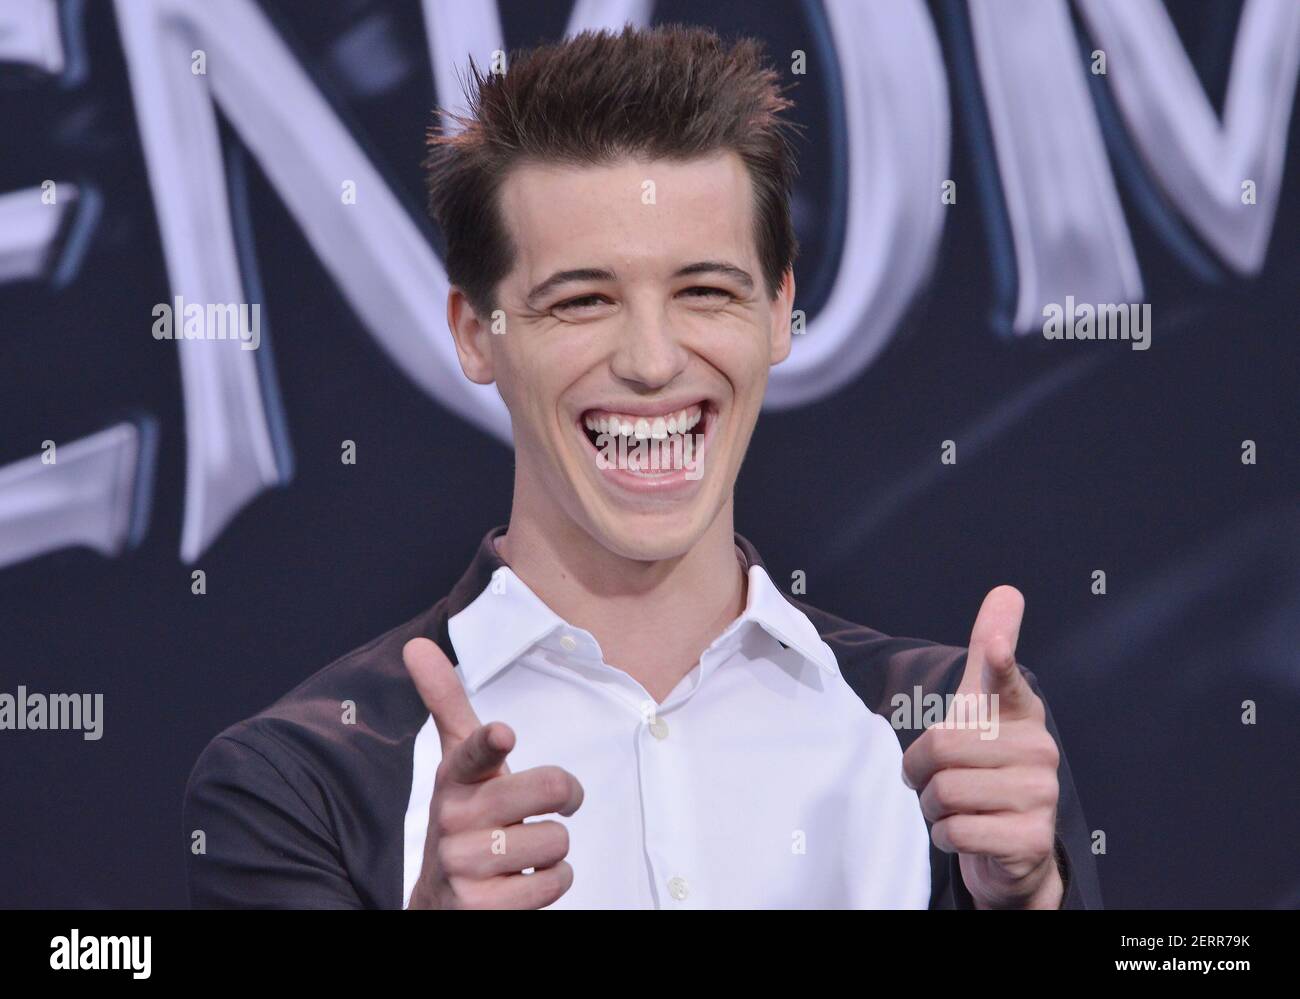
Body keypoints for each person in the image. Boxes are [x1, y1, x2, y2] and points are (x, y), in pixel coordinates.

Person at [184, 23, 1101, 910]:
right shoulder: (298, 781)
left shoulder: (949, 733)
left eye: (705, 290)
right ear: (476, 332)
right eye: (582, 300)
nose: (654, 360)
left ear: (779, 311)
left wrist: (1025, 901)